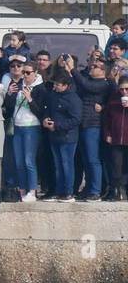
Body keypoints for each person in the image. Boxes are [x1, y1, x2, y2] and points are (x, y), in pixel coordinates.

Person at [75, 57, 111, 201]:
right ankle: (88, 188)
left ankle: (95, 190)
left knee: (93, 159)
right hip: (83, 124)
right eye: (92, 64)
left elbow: (86, 86)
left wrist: (72, 69)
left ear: (103, 71)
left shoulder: (103, 84)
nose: (92, 66)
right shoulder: (88, 81)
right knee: (85, 159)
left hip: (93, 125)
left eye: (96, 66)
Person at [42, 70, 81, 202]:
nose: (55, 87)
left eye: (58, 85)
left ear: (66, 86)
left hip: (67, 137)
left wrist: (57, 125)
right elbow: (48, 110)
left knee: (67, 164)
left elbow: (76, 119)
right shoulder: (53, 95)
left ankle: (69, 192)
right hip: (54, 136)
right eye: (55, 84)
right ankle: (59, 192)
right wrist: (46, 119)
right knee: (58, 165)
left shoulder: (73, 98)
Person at [103, 75, 128, 200]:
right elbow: (107, 118)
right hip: (116, 137)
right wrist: (107, 134)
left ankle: (124, 189)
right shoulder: (114, 98)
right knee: (116, 165)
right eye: (122, 89)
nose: (124, 91)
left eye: (127, 89)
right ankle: (117, 190)